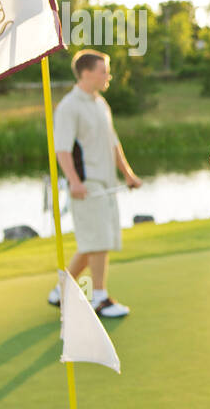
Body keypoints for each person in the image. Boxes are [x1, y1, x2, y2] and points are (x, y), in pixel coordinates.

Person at [47, 49, 143, 318]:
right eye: (104, 71)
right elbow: (62, 149)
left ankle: (60, 291)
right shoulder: (69, 107)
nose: (108, 76)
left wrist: (128, 174)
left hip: (106, 183)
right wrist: (75, 182)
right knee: (97, 241)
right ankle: (100, 297)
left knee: (94, 242)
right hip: (87, 186)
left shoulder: (101, 104)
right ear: (87, 73)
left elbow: (113, 144)